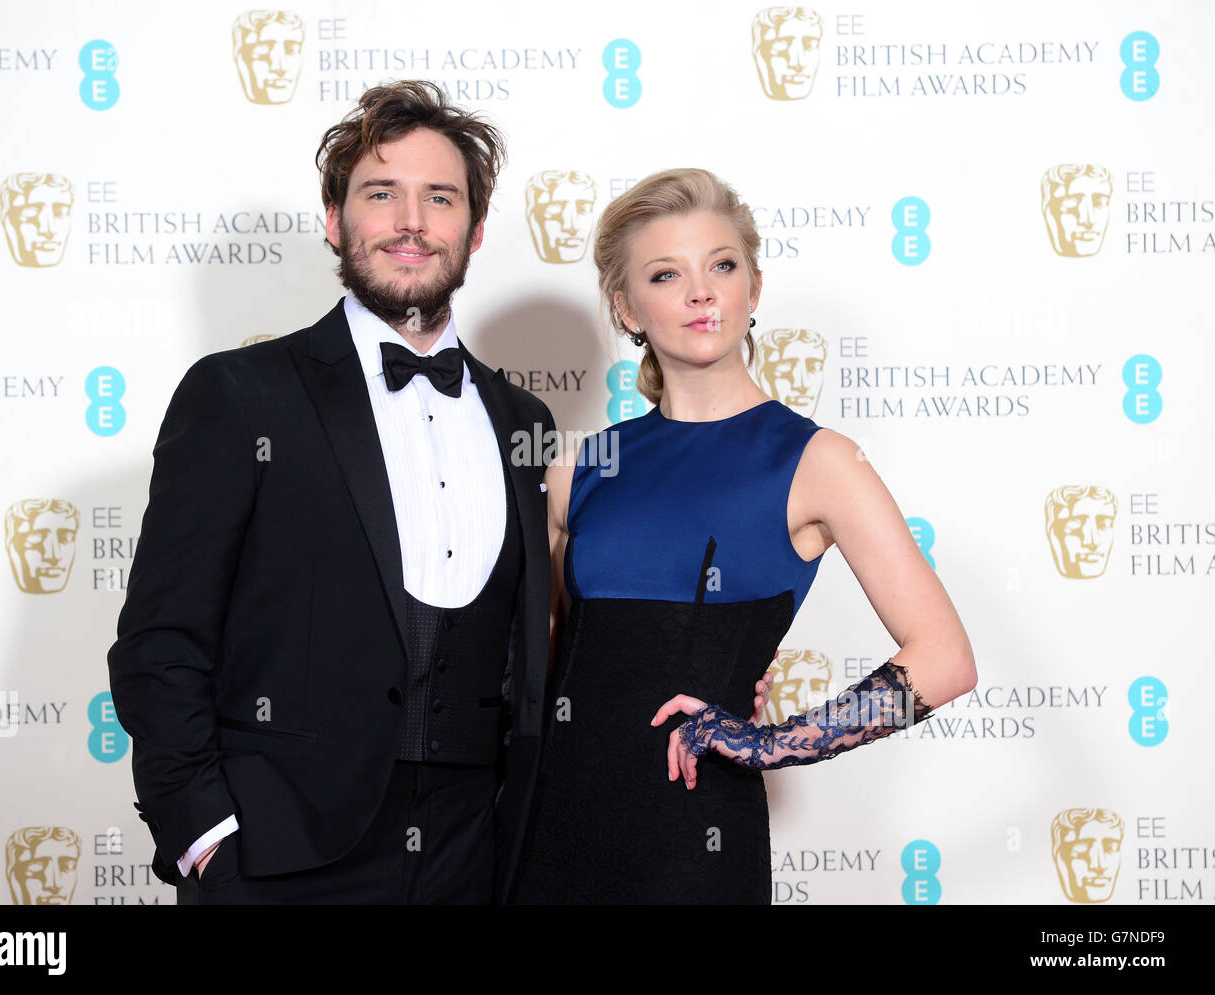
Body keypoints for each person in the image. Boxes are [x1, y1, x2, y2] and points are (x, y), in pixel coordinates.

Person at [107, 80, 555, 903]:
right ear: (335, 220)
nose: (411, 222)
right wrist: (208, 839)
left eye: (440, 198)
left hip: (473, 855)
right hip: (281, 857)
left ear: (476, 229)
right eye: (381, 194)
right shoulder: (240, 394)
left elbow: (544, 636)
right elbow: (159, 643)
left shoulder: (524, 419)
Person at [512, 168, 977, 904]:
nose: (701, 292)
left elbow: (945, 658)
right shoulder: (581, 467)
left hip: (694, 840)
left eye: (722, 266)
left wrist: (767, 740)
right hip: (548, 832)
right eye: (667, 274)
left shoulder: (817, 460)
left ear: (752, 289)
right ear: (626, 307)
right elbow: (545, 669)